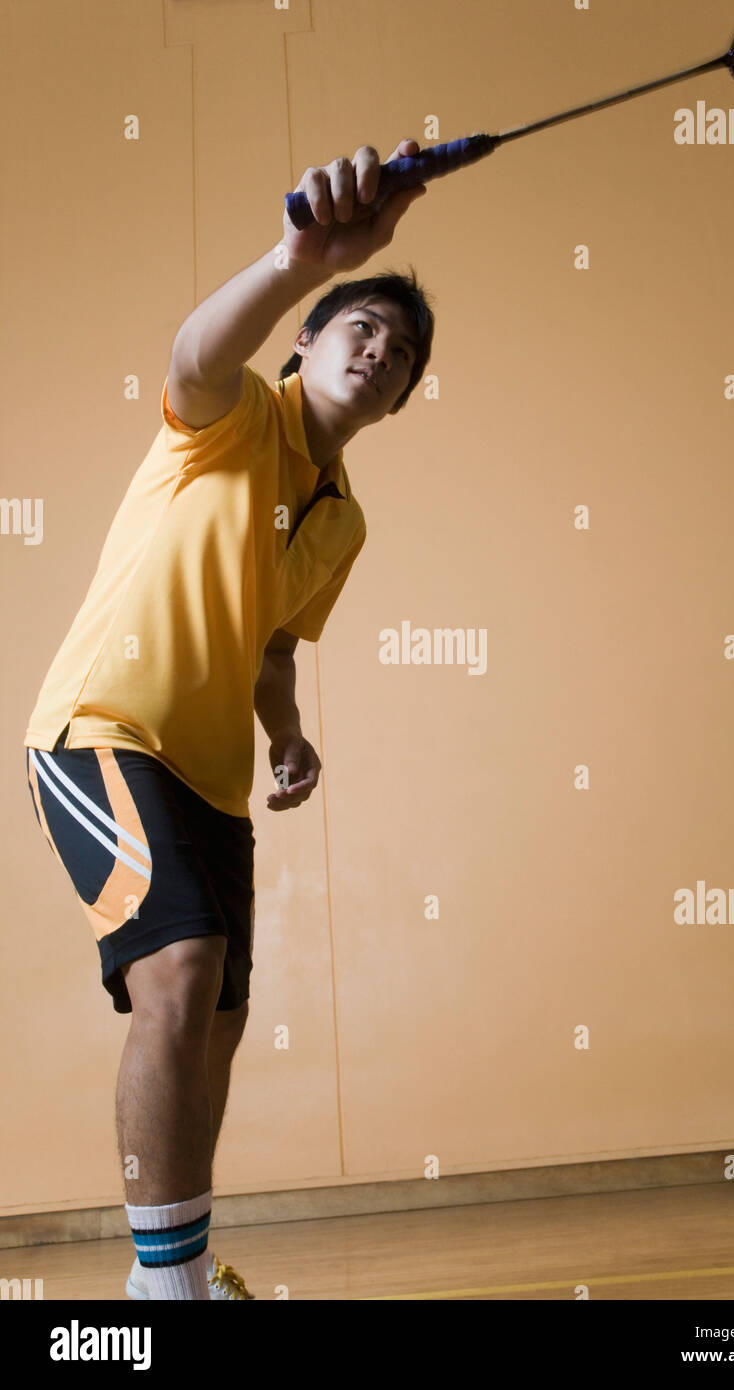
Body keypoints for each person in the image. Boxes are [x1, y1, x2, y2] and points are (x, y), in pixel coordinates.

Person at [22, 138, 434, 1300]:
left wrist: (286, 733)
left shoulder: (343, 523)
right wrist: (298, 258)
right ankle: (161, 1301)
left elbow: (267, 645)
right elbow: (190, 350)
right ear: (307, 338)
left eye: (399, 356)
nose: (378, 351)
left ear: (399, 400)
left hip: (212, 779)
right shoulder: (226, 414)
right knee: (180, 965)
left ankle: (183, 1277)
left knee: (219, 1019)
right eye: (361, 328)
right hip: (98, 732)